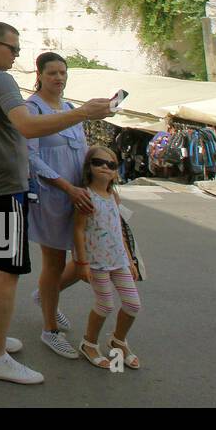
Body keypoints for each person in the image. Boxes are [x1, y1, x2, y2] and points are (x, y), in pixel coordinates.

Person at [0, 22, 112, 385]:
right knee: (9, 269)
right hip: (3, 184)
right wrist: (83, 113)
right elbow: (27, 127)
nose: (16, 56)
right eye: (13, 49)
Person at [25, 52, 92, 360]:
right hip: (53, 195)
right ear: (39, 74)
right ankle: (50, 328)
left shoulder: (70, 109)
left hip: (81, 195)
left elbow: (84, 151)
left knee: (84, 260)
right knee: (53, 263)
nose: (59, 78)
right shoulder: (32, 109)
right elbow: (31, 157)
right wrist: (65, 186)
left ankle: (46, 296)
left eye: (63, 72)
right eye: (52, 73)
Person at [73, 145, 142, 370]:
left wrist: (130, 259)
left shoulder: (114, 196)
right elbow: (79, 230)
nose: (104, 167)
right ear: (89, 167)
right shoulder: (86, 196)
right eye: (98, 162)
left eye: (110, 164)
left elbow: (119, 227)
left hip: (119, 260)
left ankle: (118, 340)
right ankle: (89, 343)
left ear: (115, 171)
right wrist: (82, 262)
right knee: (105, 305)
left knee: (133, 304)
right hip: (97, 263)